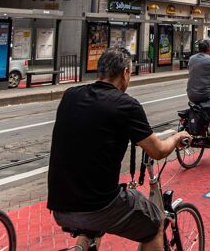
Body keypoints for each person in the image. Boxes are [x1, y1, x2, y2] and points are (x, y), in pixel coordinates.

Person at [48, 48, 189, 251]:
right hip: (99, 207)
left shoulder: (71, 95)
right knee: (155, 222)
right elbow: (157, 151)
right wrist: (176, 137)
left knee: (91, 227)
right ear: (125, 73)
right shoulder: (126, 105)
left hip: (59, 206)